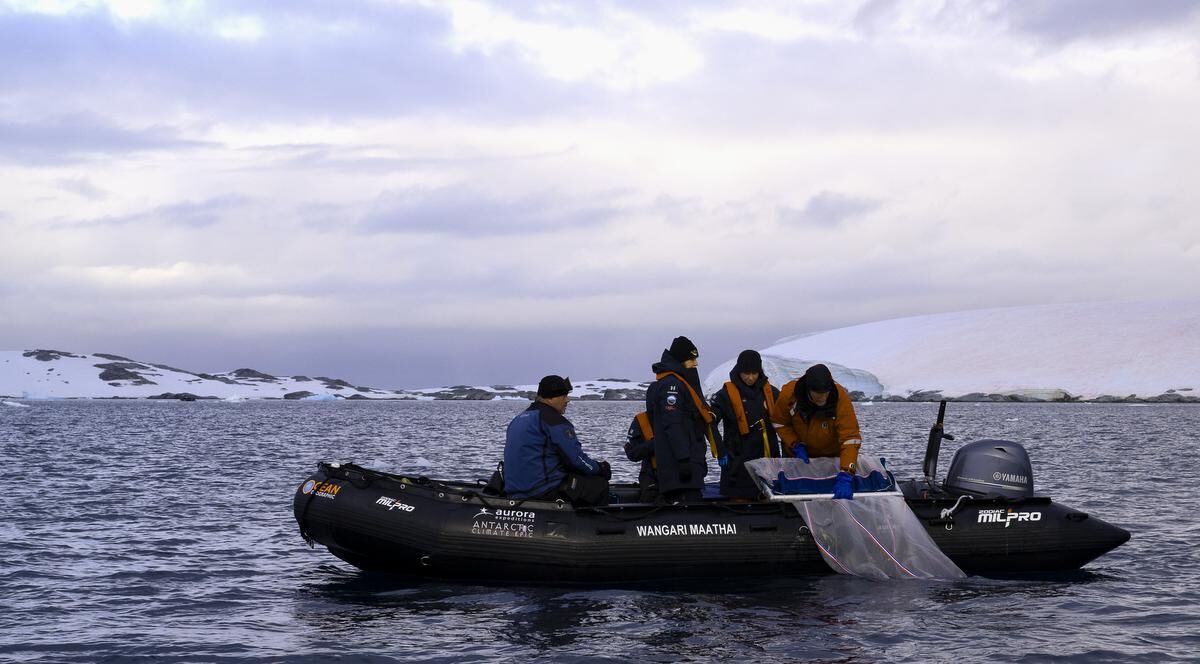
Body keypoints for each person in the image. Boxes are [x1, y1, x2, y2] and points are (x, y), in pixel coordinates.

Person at [503, 375, 611, 505]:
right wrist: (600, 468)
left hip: (514, 491)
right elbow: (576, 460)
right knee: (599, 485)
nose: (568, 400)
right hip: (542, 492)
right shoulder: (554, 421)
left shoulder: (518, 419)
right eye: (564, 396)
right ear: (551, 397)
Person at [770, 363, 862, 500]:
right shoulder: (789, 395)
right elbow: (780, 423)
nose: (822, 398)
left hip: (832, 460)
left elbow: (850, 438)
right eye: (818, 395)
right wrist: (794, 444)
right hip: (798, 457)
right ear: (808, 389)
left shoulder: (840, 398)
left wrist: (847, 474)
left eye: (825, 394)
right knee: (796, 495)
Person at [645, 336, 715, 503]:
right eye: (692, 359)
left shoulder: (679, 382)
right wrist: (684, 459)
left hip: (686, 465)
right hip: (680, 470)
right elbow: (673, 425)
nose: (695, 363)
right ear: (681, 360)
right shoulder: (672, 386)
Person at [709, 350, 781, 499]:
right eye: (746, 373)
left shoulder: (771, 393)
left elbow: (787, 422)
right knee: (738, 499)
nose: (750, 378)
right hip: (737, 460)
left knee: (769, 497)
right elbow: (710, 422)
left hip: (767, 459)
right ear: (739, 371)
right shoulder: (724, 395)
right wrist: (720, 450)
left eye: (754, 373)